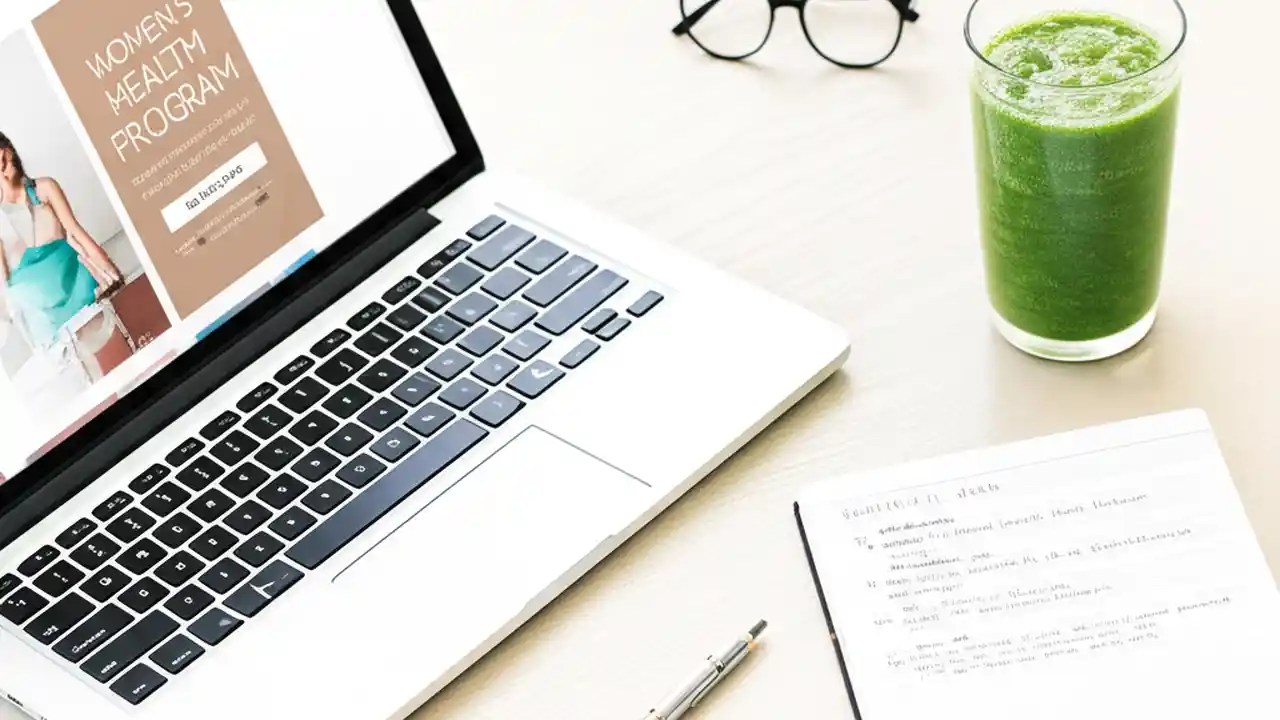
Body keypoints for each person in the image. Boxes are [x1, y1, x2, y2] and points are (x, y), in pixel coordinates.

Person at [0, 130, 124, 350]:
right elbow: (6, 283)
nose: (5, 171)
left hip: (74, 280)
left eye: (4, 161)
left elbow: (75, 231)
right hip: (40, 305)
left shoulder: (44, 188)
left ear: (10, 152)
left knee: (115, 343)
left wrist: (109, 269)